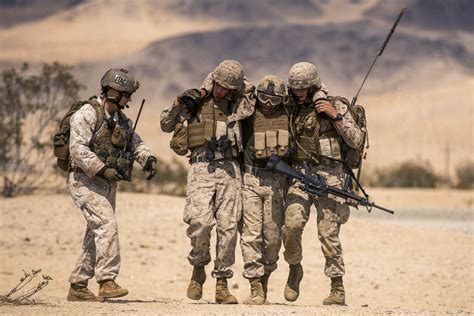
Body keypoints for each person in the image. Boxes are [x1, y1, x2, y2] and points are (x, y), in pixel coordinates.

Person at [160, 60, 253, 304]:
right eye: (218, 84)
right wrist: (181, 100)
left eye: (226, 87)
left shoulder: (239, 104)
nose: (220, 90)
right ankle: (198, 266)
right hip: (201, 166)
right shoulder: (196, 102)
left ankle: (222, 283)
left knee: (228, 227)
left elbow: (252, 95)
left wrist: (236, 85)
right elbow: (165, 124)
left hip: (231, 168)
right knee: (199, 221)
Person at [66, 68, 158, 302]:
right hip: (85, 182)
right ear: (115, 92)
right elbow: (77, 149)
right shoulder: (87, 114)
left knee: (96, 232)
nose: (129, 99)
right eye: (127, 94)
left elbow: (136, 143)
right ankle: (107, 281)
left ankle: (78, 284)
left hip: (107, 185)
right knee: (106, 225)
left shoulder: (121, 120)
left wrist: (148, 159)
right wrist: (101, 168)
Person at [282, 62, 364, 305]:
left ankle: (337, 287)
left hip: (331, 176)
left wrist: (334, 114)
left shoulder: (335, 104)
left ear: (314, 85)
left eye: (304, 88)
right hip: (300, 173)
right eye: (295, 88)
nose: (299, 93)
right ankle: (295, 267)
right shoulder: (291, 108)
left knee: (328, 233)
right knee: (292, 225)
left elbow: (357, 140)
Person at [239, 75, 289, 305]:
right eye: (264, 98)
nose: (268, 104)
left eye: (274, 100)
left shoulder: (288, 115)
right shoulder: (247, 113)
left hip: (276, 183)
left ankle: (265, 278)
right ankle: (255, 285)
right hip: (250, 179)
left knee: (272, 238)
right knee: (250, 235)